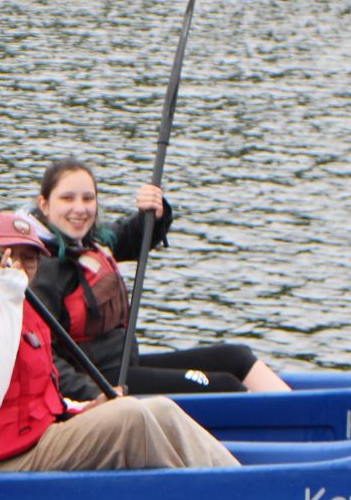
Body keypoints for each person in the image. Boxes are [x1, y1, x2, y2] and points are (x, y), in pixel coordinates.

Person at [0, 209, 237, 472]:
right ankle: (199, 496)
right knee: (131, 420)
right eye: (6, 257)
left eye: (28, 259)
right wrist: (7, 298)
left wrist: (86, 407)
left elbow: (43, 396)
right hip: (2, 460)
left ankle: (238, 482)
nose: (17, 267)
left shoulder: (21, 307)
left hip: (39, 436)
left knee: (161, 408)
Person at [29, 157, 291, 401]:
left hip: (126, 366)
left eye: (88, 198)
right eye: (67, 198)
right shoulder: (41, 269)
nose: (80, 208)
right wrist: (99, 394)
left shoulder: (90, 241)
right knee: (223, 385)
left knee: (236, 357)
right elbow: (42, 358)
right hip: (101, 382)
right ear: (44, 204)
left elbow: (133, 236)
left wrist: (153, 213)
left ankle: (298, 412)